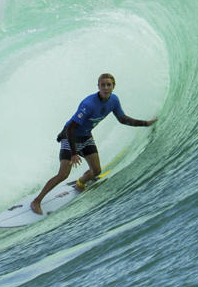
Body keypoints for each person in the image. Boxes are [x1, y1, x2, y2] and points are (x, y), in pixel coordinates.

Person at [30, 73, 156, 215]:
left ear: (113, 86)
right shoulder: (88, 104)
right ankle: (36, 201)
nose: (106, 87)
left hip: (86, 137)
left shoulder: (114, 100)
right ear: (98, 86)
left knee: (96, 171)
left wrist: (146, 124)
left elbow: (122, 119)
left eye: (109, 85)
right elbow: (71, 128)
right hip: (70, 137)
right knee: (63, 174)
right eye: (103, 85)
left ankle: (80, 183)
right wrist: (74, 153)